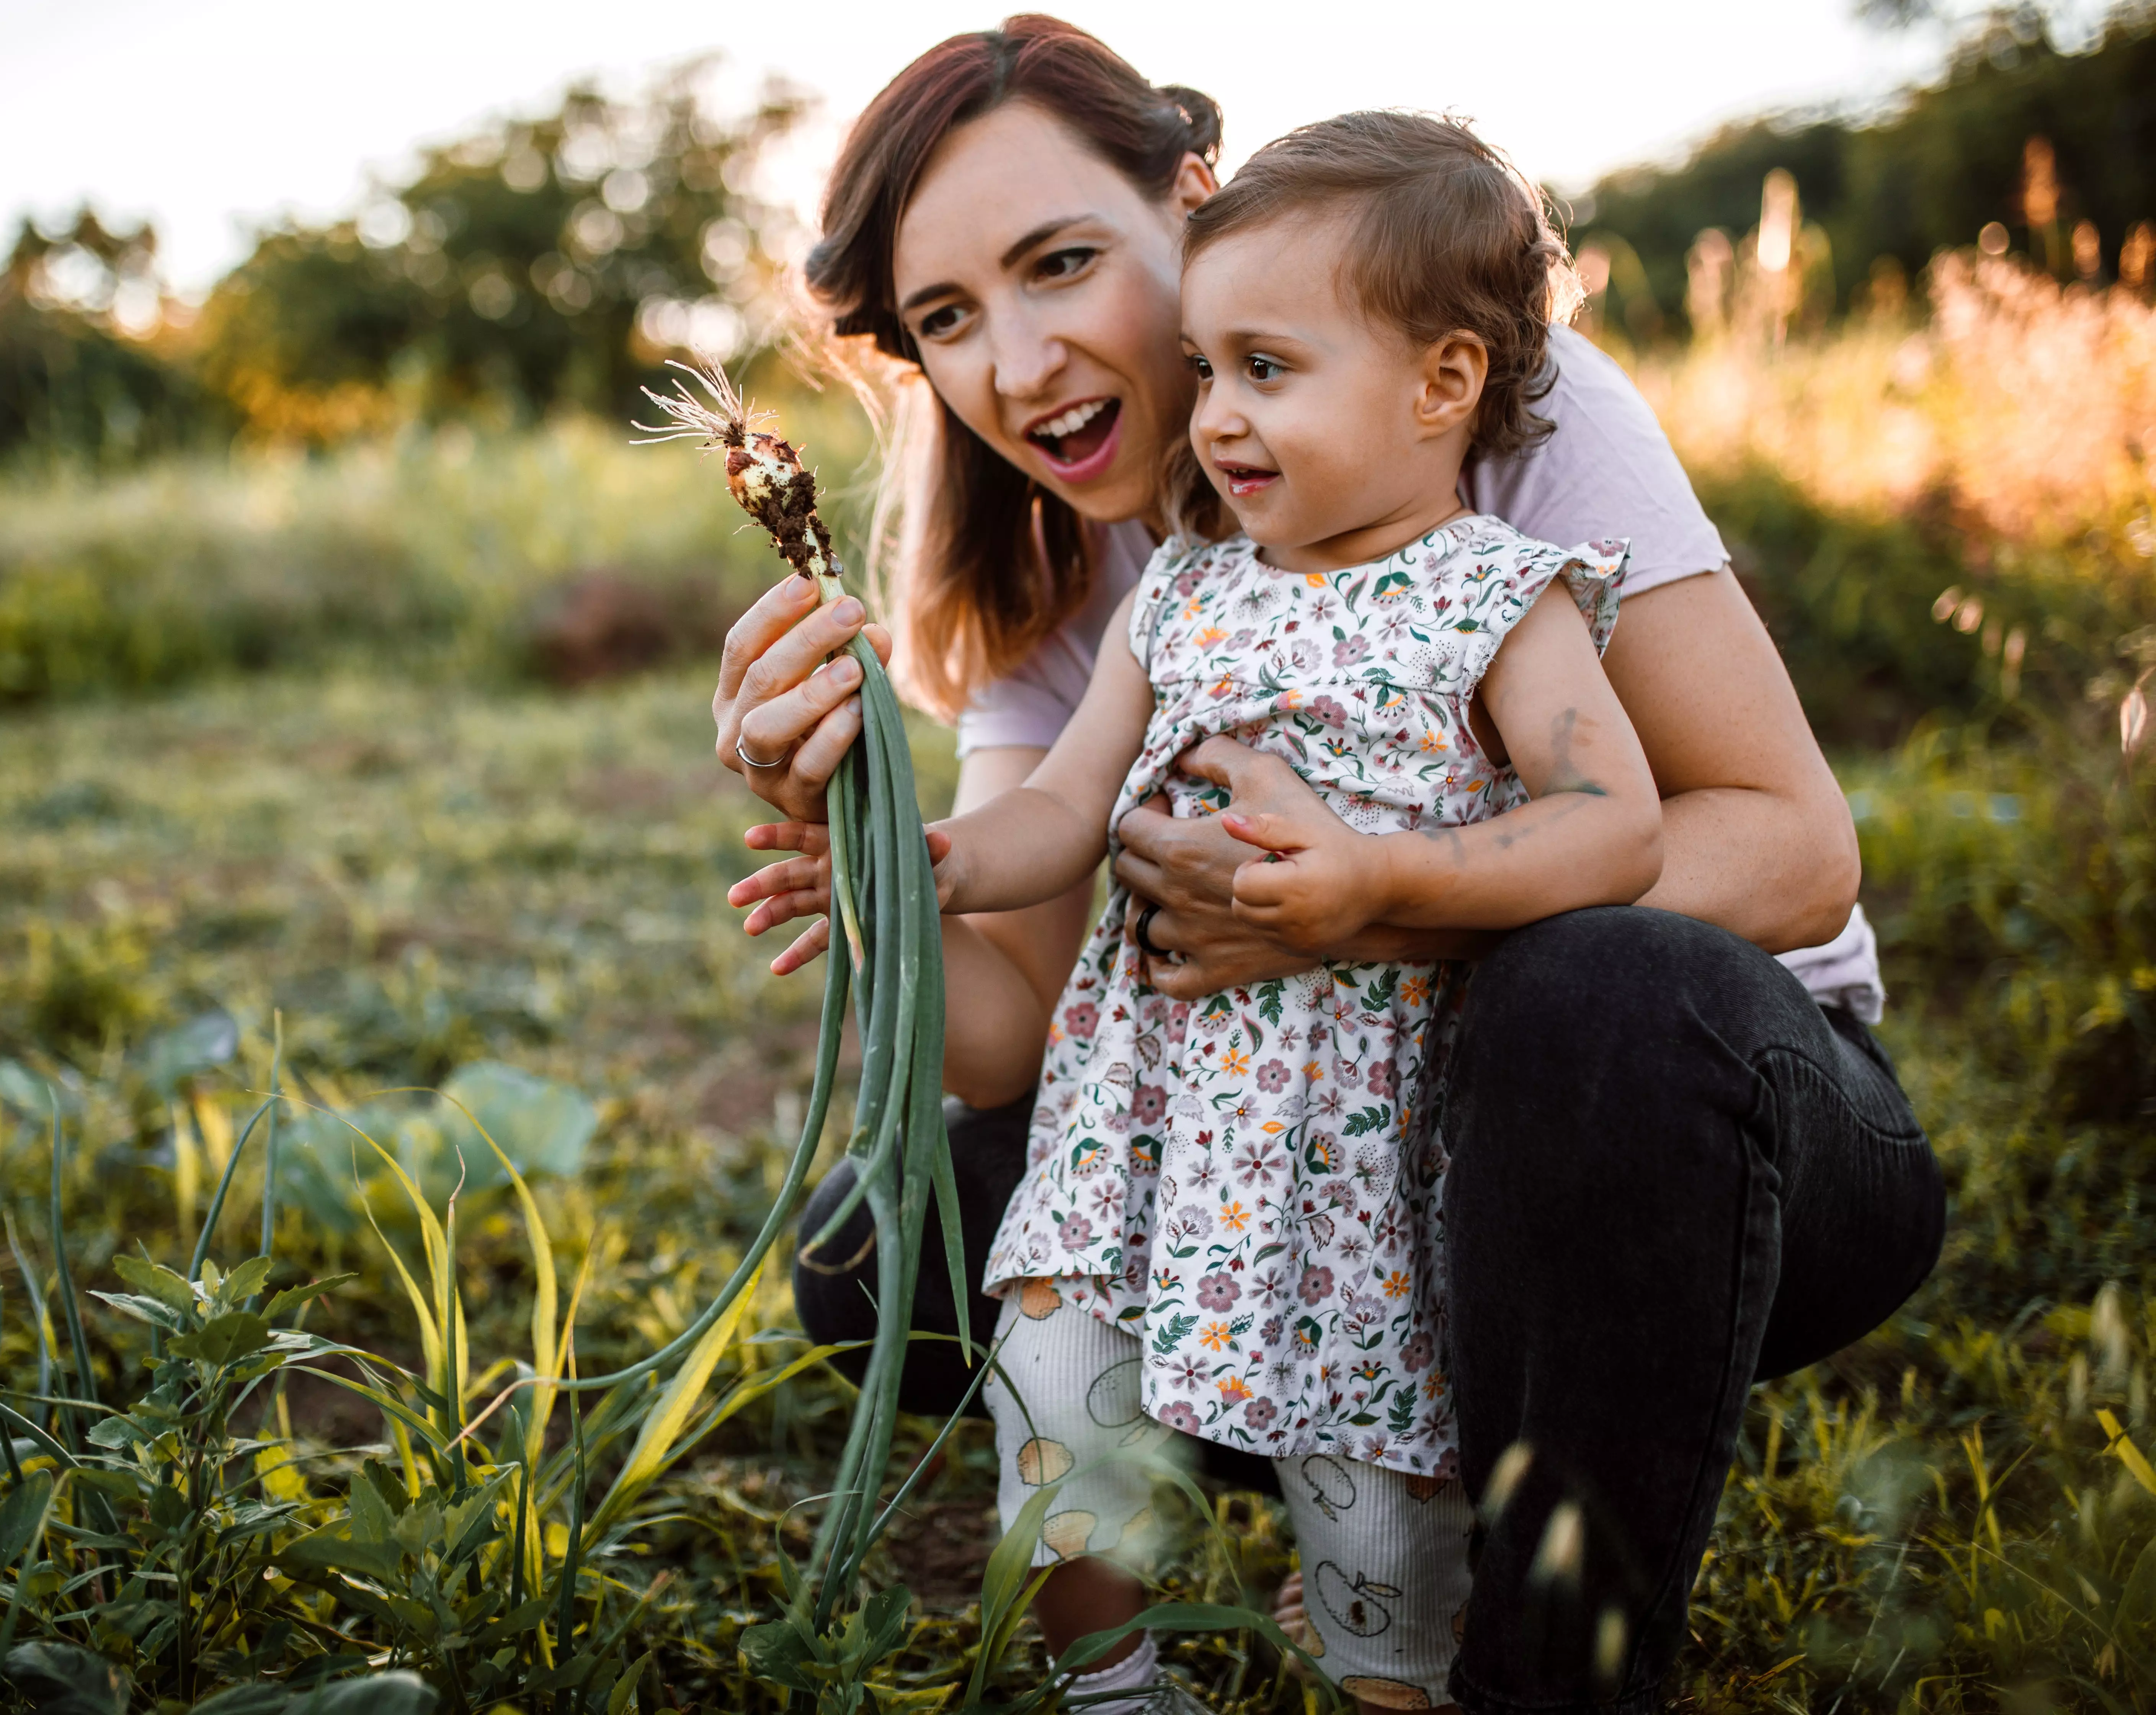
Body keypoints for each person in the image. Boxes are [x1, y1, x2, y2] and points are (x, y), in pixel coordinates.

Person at [711, 18, 1945, 1715]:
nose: (1017, 363)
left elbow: (1793, 849)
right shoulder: (1065, 564)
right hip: (1305, 1149)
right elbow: (1007, 1046)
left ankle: (1545, 1663)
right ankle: (1333, 1480)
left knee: (1594, 989)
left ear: (1192, 203)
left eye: (1061, 262)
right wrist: (863, 851)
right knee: (893, 1240)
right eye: (947, 319)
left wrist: (1368, 899)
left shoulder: (1487, 397)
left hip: (1699, 1130)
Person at [756, 110, 1669, 1711]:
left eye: (1268, 370)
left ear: (1444, 385)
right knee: (1048, 1368)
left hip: (1373, 1116)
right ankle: (1110, 1682)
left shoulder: (1499, 594)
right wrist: (917, 864)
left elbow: (1619, 825)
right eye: (1208, 367)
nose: (1221, 418)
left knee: (1370, 1468)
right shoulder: (1179, 585)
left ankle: (1392, 1673)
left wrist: (1377, 884)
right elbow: (1058, 809)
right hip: (1149, 1102)